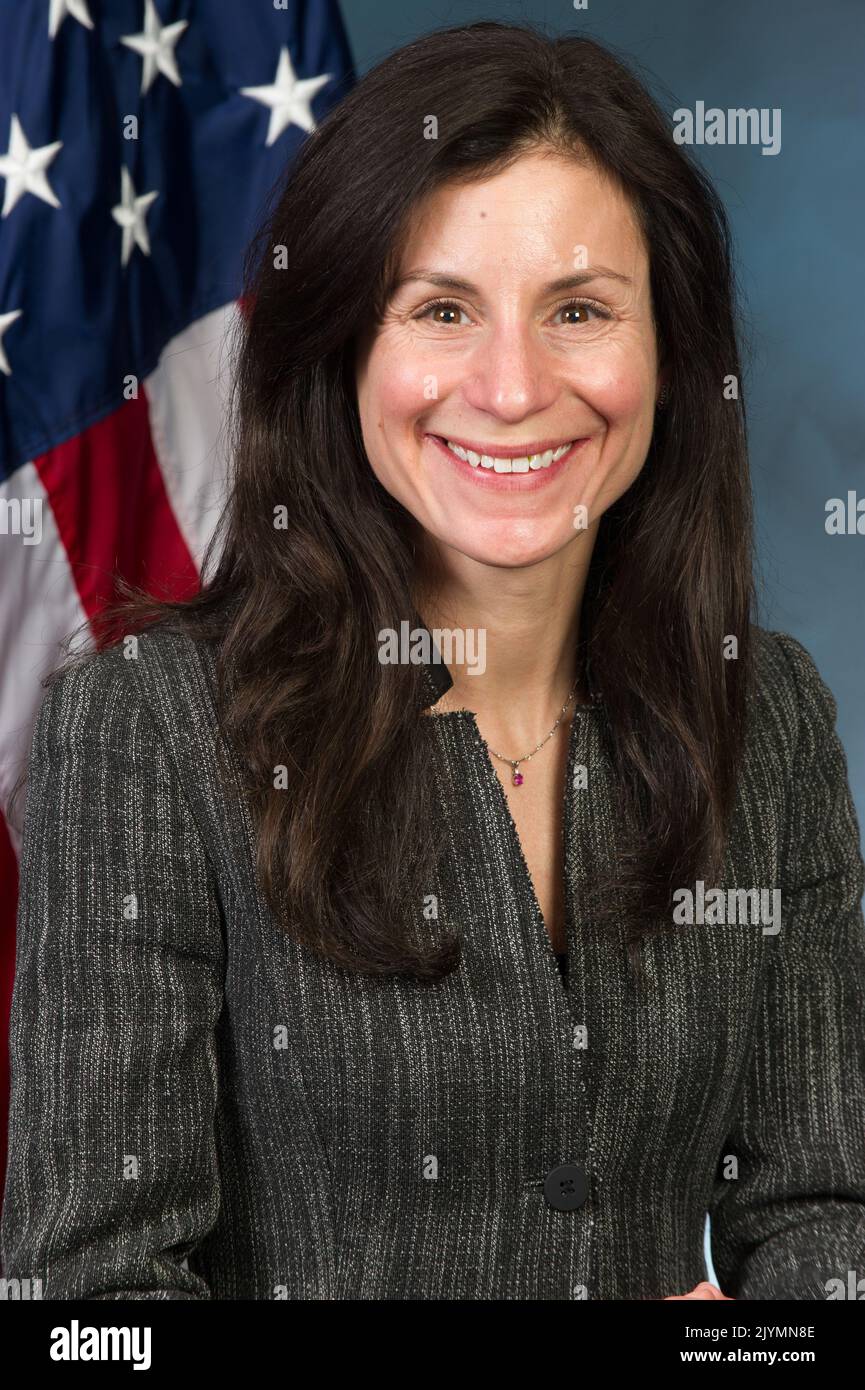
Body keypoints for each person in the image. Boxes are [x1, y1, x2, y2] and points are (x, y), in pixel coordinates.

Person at [2, 21, 863, 1301]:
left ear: (671, 357)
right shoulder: (151, 733)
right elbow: (83, 1317)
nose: (512, 386)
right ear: (344, 349)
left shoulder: (763, 709)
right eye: (442, 309)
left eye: (578, 309)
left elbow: (824, 1216)